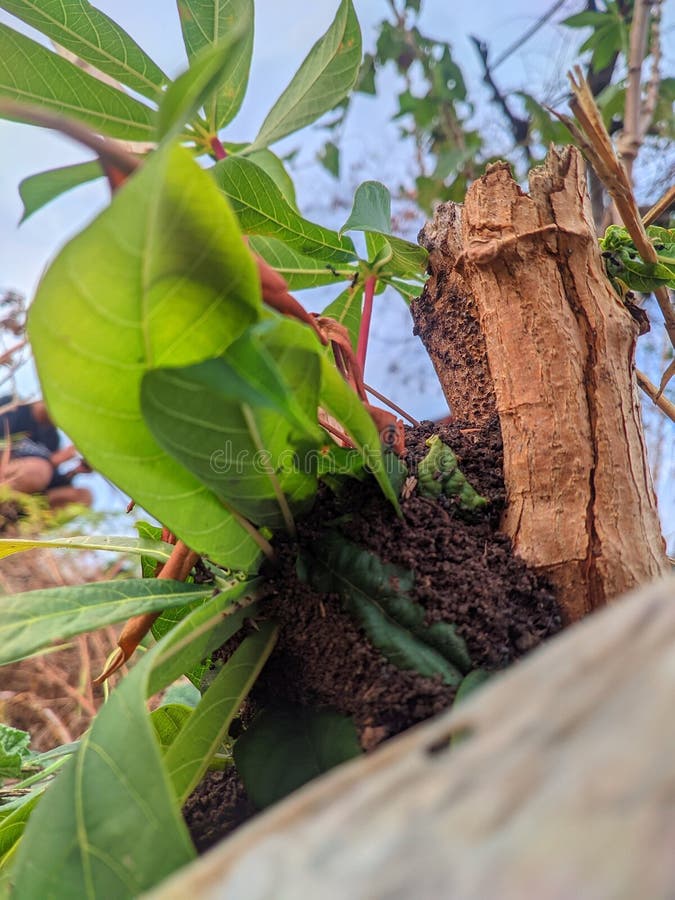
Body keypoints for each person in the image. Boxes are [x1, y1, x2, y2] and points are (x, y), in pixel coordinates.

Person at [0, 396, 92, 509]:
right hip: (7, 470)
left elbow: (49, 480)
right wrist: (52, 461)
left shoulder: (53, 439)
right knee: (39, 470)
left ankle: (26, 523)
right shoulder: (15, 407)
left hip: (29, 487)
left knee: (83, 496)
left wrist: (75, 471)